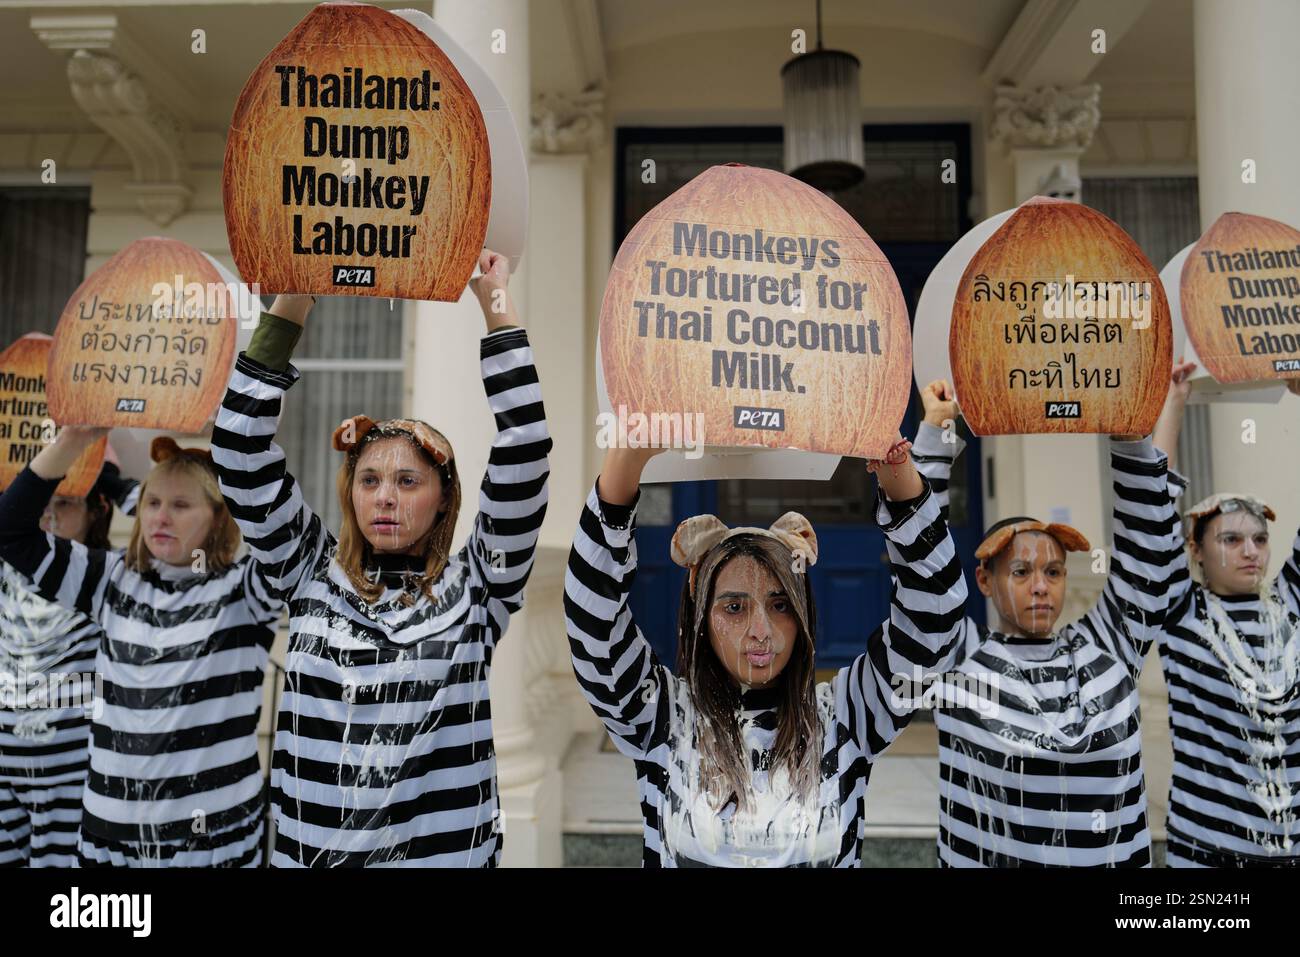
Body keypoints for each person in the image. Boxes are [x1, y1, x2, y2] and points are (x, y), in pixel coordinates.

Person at [209, 250, 551, 867]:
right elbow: (237, 449)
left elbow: (525, 447)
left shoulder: (479, 588)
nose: (385, 496)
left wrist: (494, 299)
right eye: (368, 480)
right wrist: (295, 299)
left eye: (408, 481)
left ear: (444, 498)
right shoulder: (307, 570)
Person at [563, 430, 967, 866]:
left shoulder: (847, 717)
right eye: (734, 607)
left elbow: (935, 621)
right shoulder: (660, 716)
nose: (761, 631)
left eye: (780, 605)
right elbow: (593, 623)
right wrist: (625, 463)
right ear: (700, 614)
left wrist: (900, 480)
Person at [909, 377, 1185, 866]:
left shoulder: (1108, 648)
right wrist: (936, 435)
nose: (1041, 585)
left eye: (1054, 571)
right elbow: (923, 569)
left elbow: (1147, 561)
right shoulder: (957, 657)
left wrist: (1128, 430)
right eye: (1021, 571)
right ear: (985, 581)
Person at [0, 433, 280, 867]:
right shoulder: (113, 578)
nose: (160, 518)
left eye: (182, 506)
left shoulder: (244, 588)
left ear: (217, 517)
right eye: (151, 504)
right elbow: (10, 530)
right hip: (108, 840)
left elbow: (282, 539)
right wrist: (74, 442)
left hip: (208, 844)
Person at [1152, 372, 1300, 866]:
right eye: (1231, 540)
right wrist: (1174, 402)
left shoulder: (1291, 604)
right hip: (1207, 855)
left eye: (1258, 539)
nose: (1250, 550)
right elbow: (1153, 515)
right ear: (1194, 549)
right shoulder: (1181, 611)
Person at [0, 463, 136, 867]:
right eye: (43, 504)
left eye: (66, 503)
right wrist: (44, 462)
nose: (50, 515)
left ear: (97, 509)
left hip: (77, 776)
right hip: (6, 771)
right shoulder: (8, 564)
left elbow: (162, 519)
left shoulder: (112, 572)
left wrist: (100, 470)